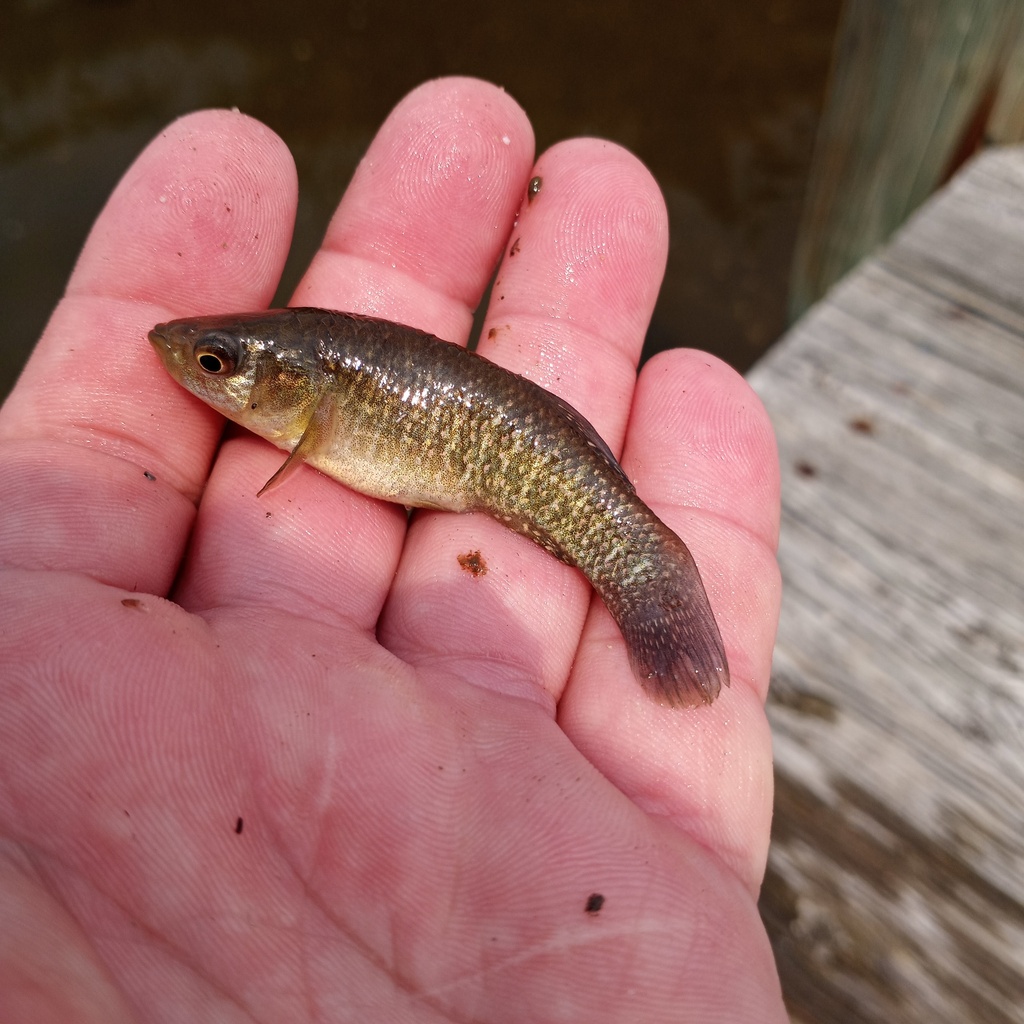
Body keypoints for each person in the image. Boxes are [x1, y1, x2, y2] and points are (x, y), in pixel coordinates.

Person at [0, 77, 785, 1022]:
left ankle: (643, 579)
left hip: (507, 456)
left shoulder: (313, 407)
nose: (193, 370)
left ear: (300, 394)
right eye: (215, 363)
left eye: (215, 366)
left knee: (616, 533)